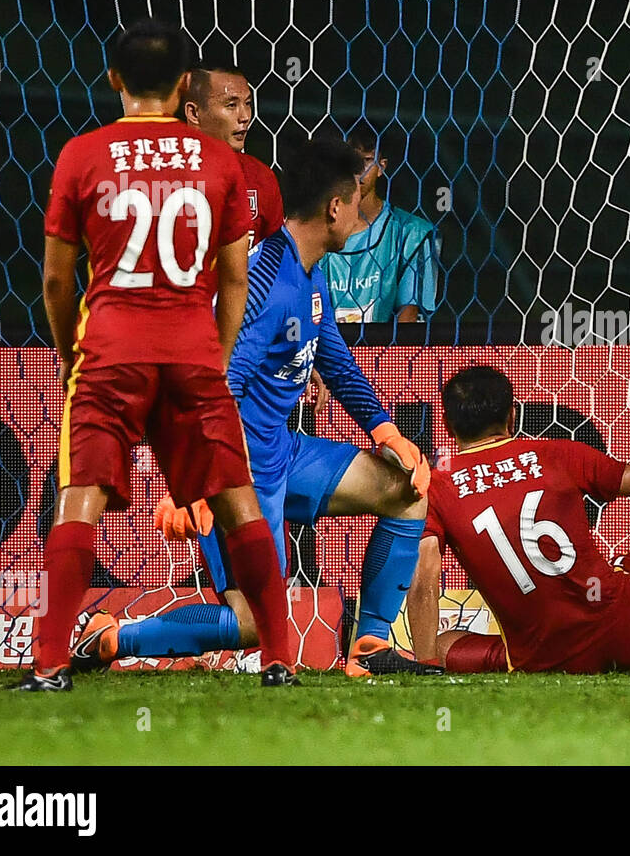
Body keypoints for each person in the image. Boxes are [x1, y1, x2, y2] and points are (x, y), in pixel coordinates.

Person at [72, 138, 437, 678]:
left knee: (406, 493)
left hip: (282, 453)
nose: (364, 213)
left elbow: (333, 358)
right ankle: (113, 637)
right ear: (335, 208)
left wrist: (386, 431)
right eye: (358, 201)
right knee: (253, 623)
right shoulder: (266, 281)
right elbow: (220, 383)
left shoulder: (311, 272)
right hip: (238, 472)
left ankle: (370, 646)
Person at [23, 18, 295, 690]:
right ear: (182, 87)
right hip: (192, 351)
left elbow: (58, 279)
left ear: (114, 79)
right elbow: (236, 278)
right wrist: (218, 356)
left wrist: (68, 354)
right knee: (238, 503)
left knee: (78, 498)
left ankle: (51, 663)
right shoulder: (220, 163)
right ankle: (281, 660)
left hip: (111, 349)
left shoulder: (82, 155)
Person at [411, 365, 630, 673]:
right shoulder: (557, 454)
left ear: (446, 423)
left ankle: (469, 662)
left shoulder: (436, 488)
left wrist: (425, 666)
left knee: (443, 643)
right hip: (619, 637)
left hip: (540, 662)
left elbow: (424, 582)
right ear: (512, 415)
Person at [321, 130, 439, 325]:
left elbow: (408, 319)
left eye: (366, 161)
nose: (358, 171)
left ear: (381, 167)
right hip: (327, 352)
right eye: (351, 161)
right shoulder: (320, 229)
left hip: (385, 352)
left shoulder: (409, 233)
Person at [180, 65, 284, 246]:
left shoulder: (261, 177)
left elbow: (275, 258)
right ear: (194, 113)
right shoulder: (165, 173)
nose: (244, 116)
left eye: (248, 104)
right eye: (231, 105)